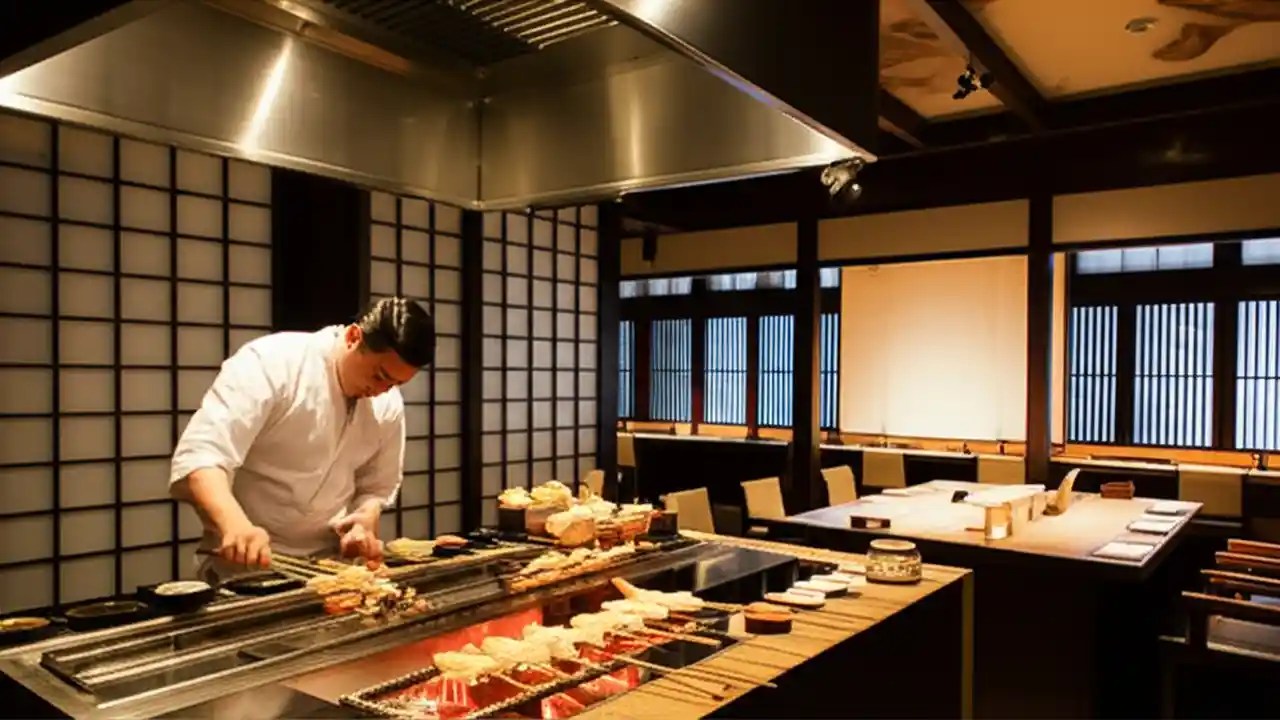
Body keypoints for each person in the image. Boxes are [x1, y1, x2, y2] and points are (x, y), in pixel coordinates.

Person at [169, 297, 435, 581]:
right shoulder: (274, 363)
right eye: (380, 376)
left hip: (329, 569)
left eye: (396, 383)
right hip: (249, 566)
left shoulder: (388, 403)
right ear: (354, 336)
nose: (383, 390)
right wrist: (233, 524)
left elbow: (376, 486)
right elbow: (203, 454)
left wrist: (365, 517)